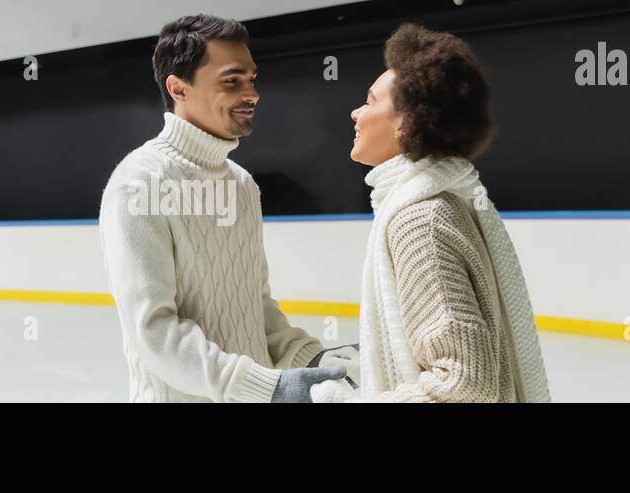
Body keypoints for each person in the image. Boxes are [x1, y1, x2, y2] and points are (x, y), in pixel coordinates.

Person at [98, 14, 349, 403]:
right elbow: (155, 332)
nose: (252, 93)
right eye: (232, 81)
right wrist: (267, 388)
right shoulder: (138, 184)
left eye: (252, 78)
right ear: (178, 89)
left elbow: (255, 307)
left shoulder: (242, 185)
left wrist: (313, 357)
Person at [313, 23, 550, 403]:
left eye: (371, 101)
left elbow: (465, 385)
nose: (356, 113)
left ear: (407, 122)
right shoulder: (442, 202)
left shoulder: (419, 221)